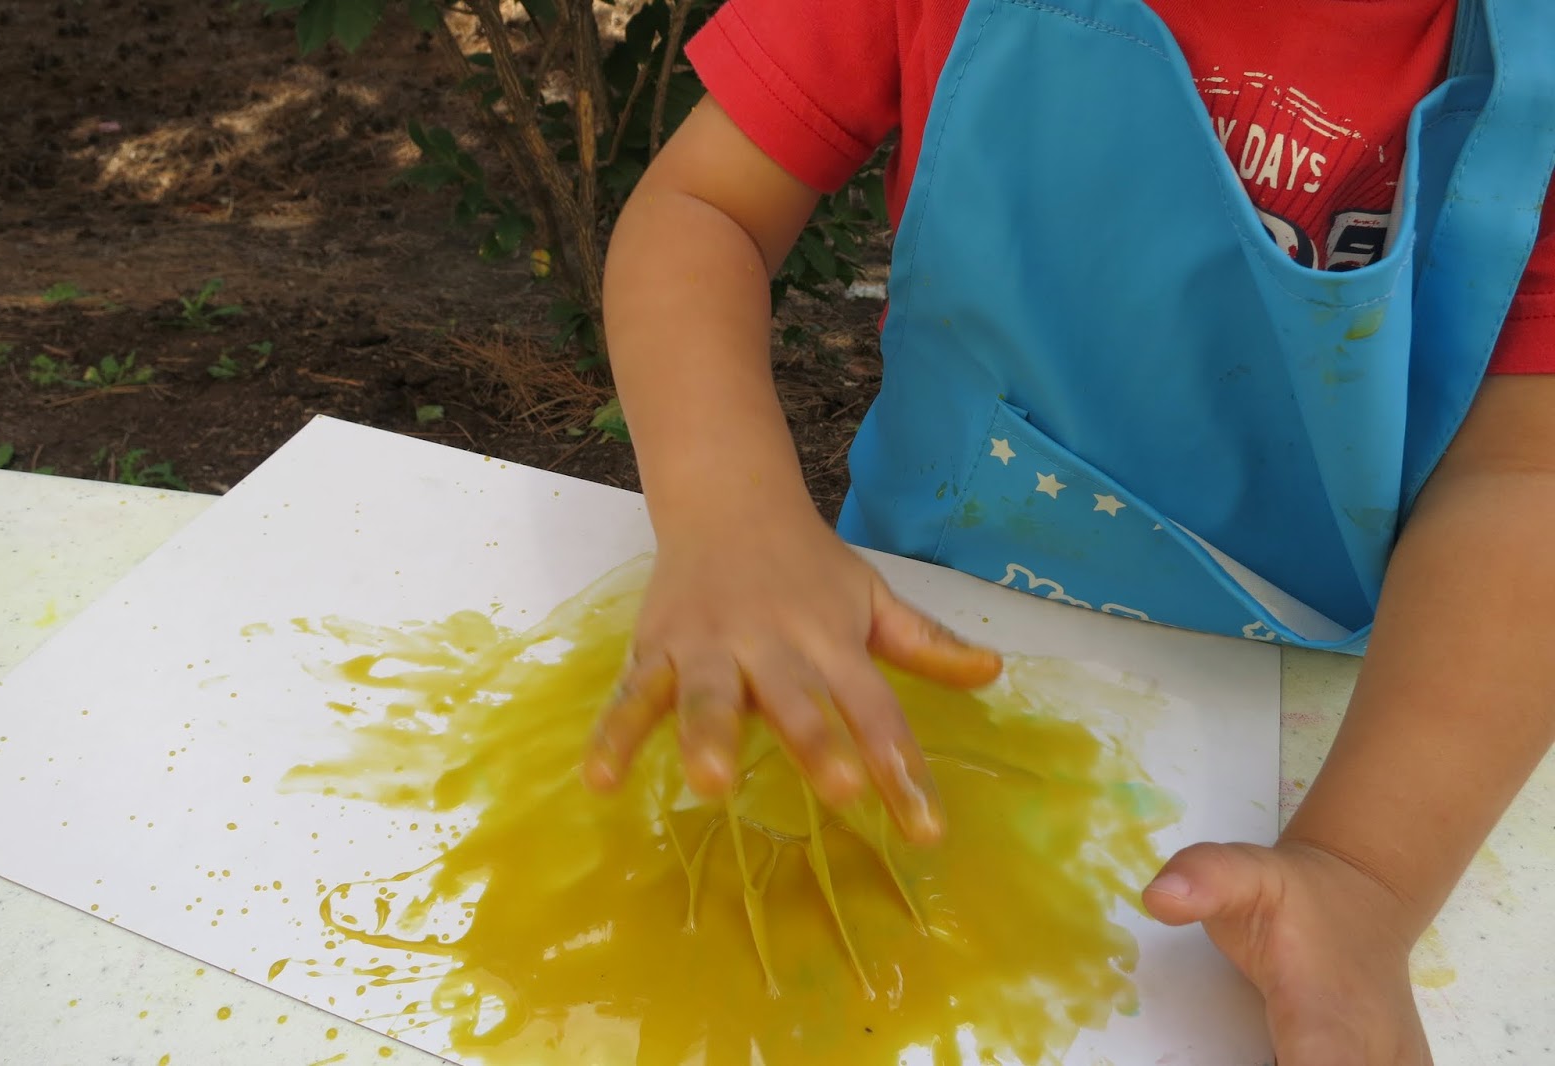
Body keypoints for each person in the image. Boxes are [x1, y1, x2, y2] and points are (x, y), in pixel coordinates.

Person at [583, 0, 1555, 1061]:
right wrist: (728, 513)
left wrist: (1364, 877)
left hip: (1329, 723)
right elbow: (702, 207)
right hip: (898, 634)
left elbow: (1524, 470)